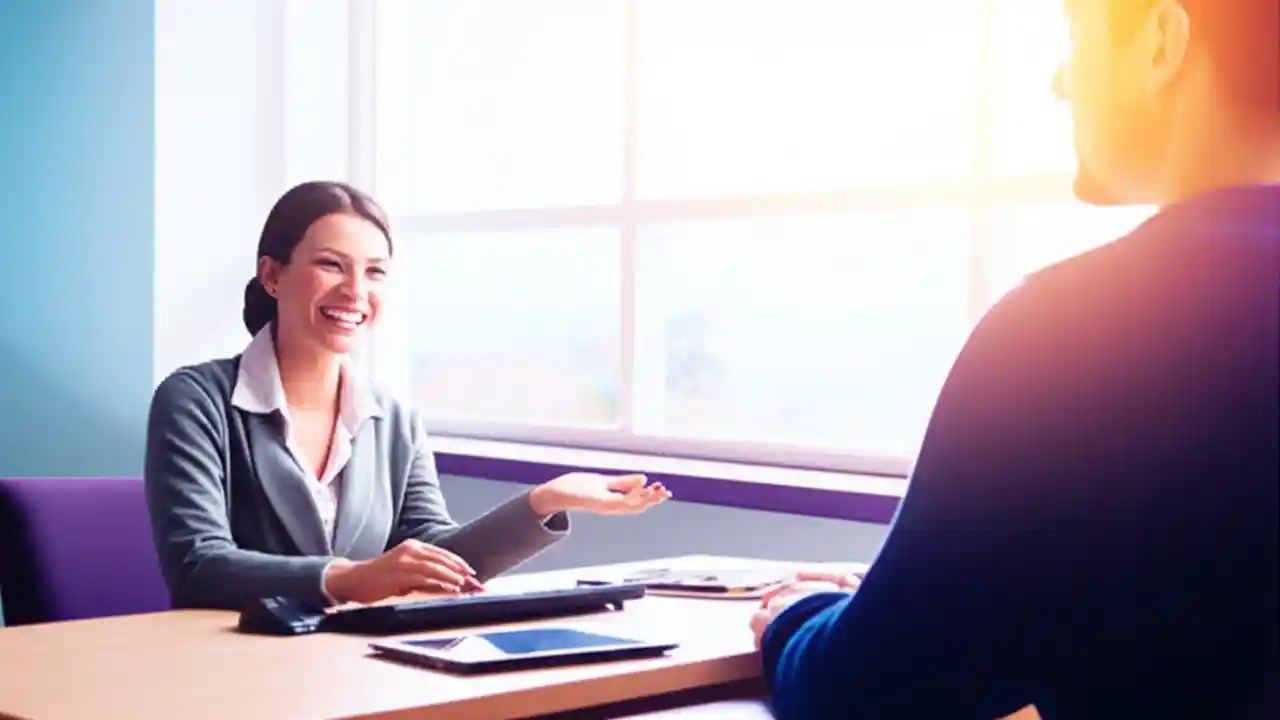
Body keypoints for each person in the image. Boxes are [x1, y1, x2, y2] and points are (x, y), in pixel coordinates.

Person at [752, 0, 1278, 717]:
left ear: (1162, 39)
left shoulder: (1081, 330)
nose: (1062, 81)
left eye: (1078, 33)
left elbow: (874, 690)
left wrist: (796, 616)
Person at [145, 181, 671, 610]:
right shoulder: (196, 401)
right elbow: (199, 565)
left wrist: (545, 501)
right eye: (332, 264)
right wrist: (350, 579)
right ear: (272, 276)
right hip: (232, 671)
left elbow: (434, 556)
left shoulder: (390, 417)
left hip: (358, 669)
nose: (355, 291)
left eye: (375, 272)